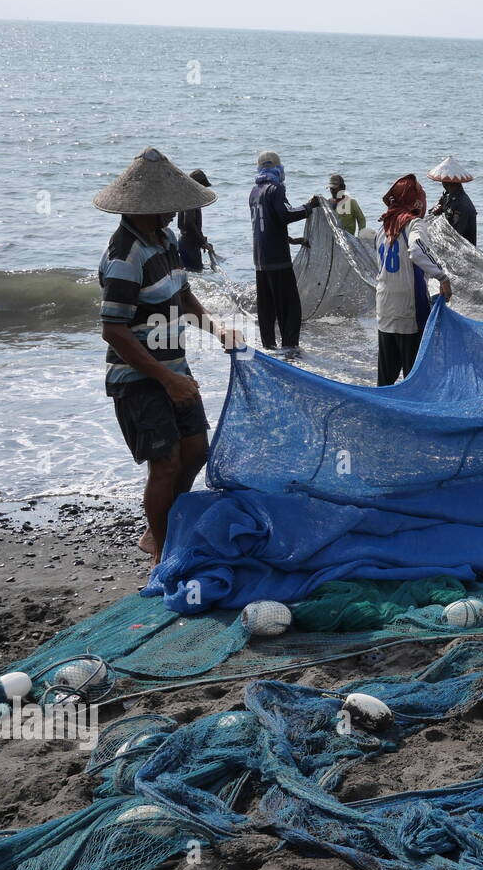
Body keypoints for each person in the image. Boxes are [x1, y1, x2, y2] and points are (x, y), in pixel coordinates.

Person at [93, 148, 237, 564]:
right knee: (167, 461)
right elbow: (113, 330)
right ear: (145, 209)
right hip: (137, 377)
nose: (175, 213)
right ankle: (160, 550)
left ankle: (161, 527)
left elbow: (183, 295)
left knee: (195, 452)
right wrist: (165, 379)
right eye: (167, 208)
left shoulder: (165, 240)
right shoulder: (125, 257)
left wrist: (217, 329)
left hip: (175, 367)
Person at [374, 174, 453, 386]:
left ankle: (384, 415)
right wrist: (442, 276)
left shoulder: (382, 228)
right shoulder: (414, 224)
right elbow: (417, 250)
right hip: (408, 310)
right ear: (416, 201)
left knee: (386, 378)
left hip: (384, 307)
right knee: (415, 377)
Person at [249, 150, 319, 352]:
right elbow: (284, 214)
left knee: (266, 306)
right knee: (289, 306)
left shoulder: (254, 191)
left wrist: (289, 238)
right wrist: (308, 207)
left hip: (260, 259)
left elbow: (265, 223)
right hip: (277, 258)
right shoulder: (275, 188)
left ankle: (268, 346)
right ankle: (290, 347)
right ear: (278, 168)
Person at [428, 156, 477, 246]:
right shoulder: (447, 197)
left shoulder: (463, 204)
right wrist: (438, 208)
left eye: (443, 181)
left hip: (464, 249)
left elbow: (457, 234)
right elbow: (432, 213)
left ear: (447, 183)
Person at [176, 169, 213, 272]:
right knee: (195, 271)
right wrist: (202, 242)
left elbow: (187, 225)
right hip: (189, 245)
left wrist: (202, 240)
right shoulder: (192, 198)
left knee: (189, 273)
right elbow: (188, 223)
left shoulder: (186, 196)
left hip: (186, 241)